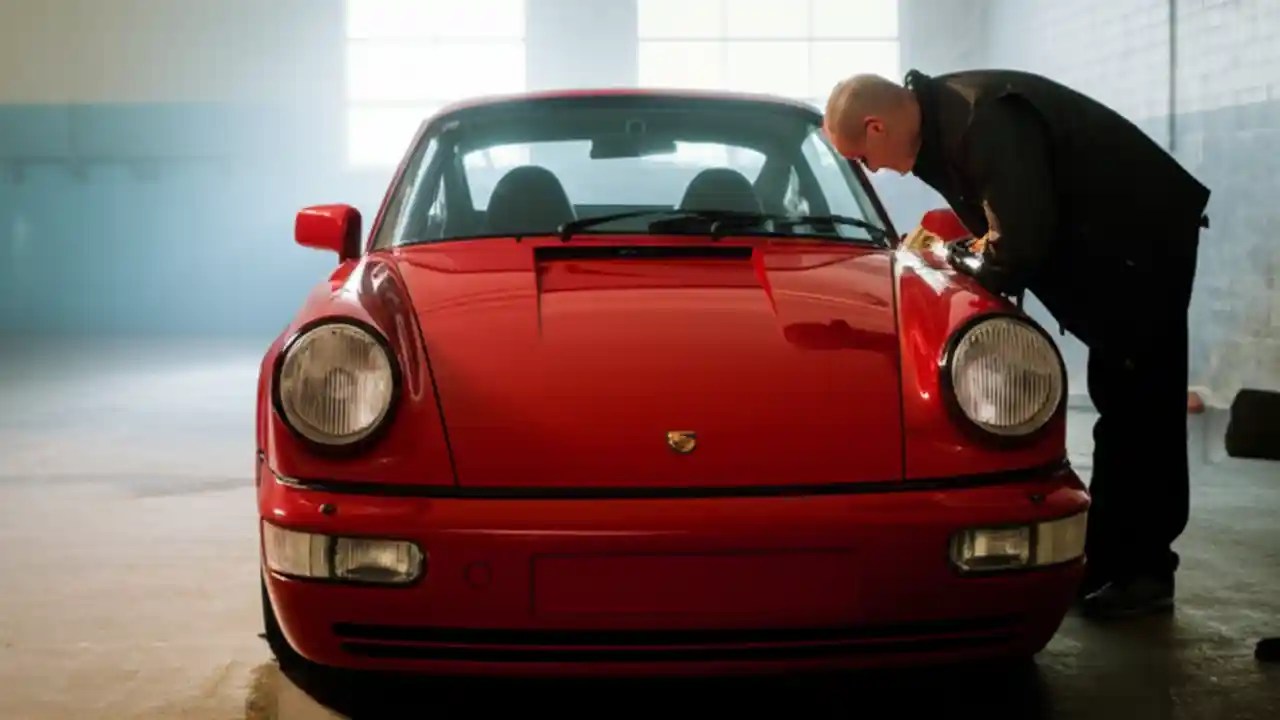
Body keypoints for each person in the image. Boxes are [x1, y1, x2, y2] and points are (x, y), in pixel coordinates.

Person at [823, 69, 1210, 620]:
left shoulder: (981, 120)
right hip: (1115, 247)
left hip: (1139, 247)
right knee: (1121, 403)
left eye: (862, 156)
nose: (873, 168)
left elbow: (1020, 244)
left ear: (876, 126)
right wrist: (967, 251)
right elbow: (1005, 227)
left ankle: (1145, 572)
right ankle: (1110, 562)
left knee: (1141, 408)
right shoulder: (943, 122)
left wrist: (962, 258)